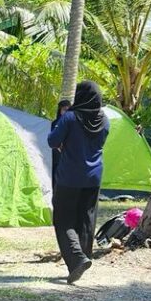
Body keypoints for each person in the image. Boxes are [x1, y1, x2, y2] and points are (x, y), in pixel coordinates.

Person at [48, 80, 107, 283]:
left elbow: (52, 141)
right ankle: (84, 256)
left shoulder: (70, 118)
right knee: (85, 218)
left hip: (69, 176)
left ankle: (77, 259)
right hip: (94, 177)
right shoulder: (104, 120)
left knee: (63, 219)